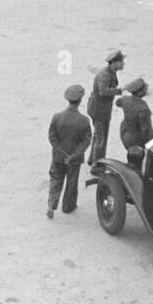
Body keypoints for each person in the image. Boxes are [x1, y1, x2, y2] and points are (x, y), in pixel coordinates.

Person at [46, 84, 92, 219]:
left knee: (56, 180)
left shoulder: (56, 117)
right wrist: (73, 155)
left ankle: (51, 205)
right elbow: (86, 141)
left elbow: (52, 137)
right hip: (74, 160)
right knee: (72, 182)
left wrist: (62, 153)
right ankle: (68, 207)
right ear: (80, 101)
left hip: (58, 157)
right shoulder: (84, 120)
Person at [87, 49, 125, 165]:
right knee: (101, 138)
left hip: (100, 109)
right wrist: (120, 90)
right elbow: (103, 92)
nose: (123, 64)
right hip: (100, 110)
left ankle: (92, 160)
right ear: (114, 63)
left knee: (98, 136)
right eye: (121, 61)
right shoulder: (105, 75)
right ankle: (98, 165)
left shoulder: (110, 72)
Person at [117, 77, 153, 167]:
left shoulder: (126, 99)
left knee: (131, 157)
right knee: (138, 161)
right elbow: (146, 130)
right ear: (140, 92)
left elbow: (118, 102)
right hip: (136, 139)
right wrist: (149, 146)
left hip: (125, 133)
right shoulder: (143, 109)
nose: (146, 88)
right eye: (145, 88)